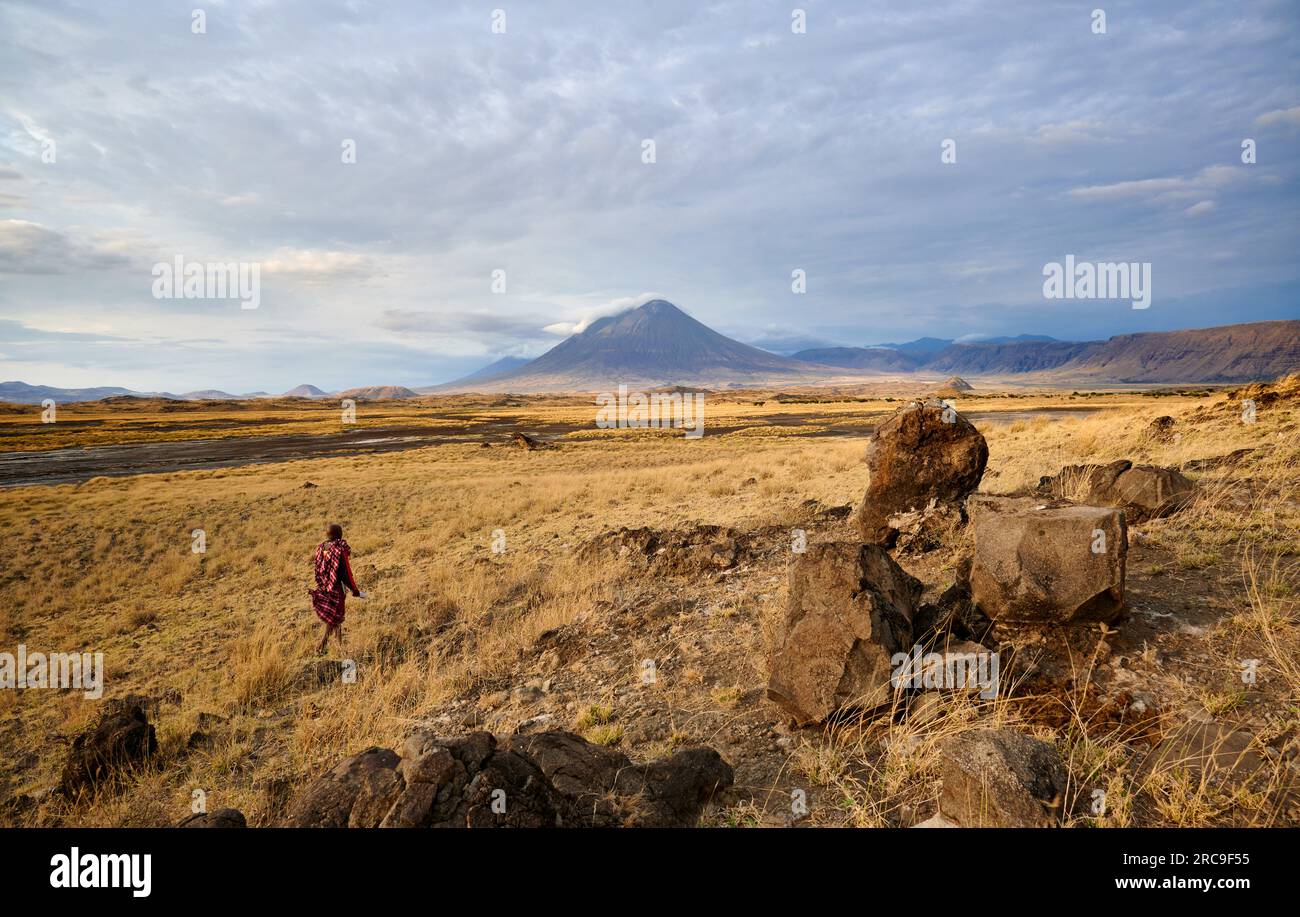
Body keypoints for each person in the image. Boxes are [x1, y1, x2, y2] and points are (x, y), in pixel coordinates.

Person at [309, 523, 362, 654]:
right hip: (336, 588)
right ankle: (321, 645)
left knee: (336, 617)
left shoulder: (321, 548)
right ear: (340, 534)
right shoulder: (339, 549)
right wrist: (354, 589)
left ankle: (340, 646)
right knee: (335, 617)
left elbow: (318, 569)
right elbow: (346, 573)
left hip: (323, 587)